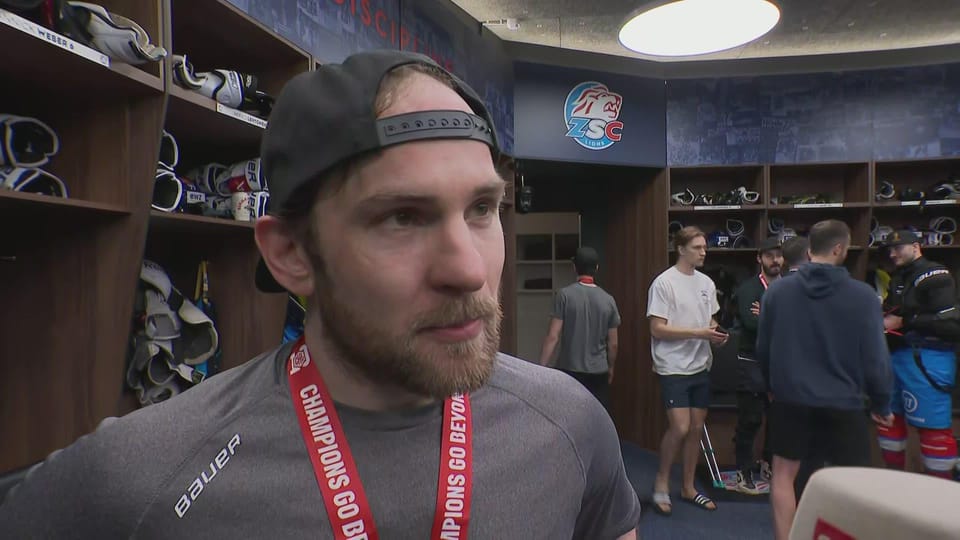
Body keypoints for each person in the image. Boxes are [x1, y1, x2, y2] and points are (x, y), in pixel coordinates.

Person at [0, 50, 641, 539]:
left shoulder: (573, 427)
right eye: (403, 217)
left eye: (482, 208)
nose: (470, 269)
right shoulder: (141, 473)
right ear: (291, 255)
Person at [757, 219, 893, 540]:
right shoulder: (863, 297)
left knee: (783, 477)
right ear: (839, 249)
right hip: (844, 403)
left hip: (790, 400)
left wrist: (771, 387)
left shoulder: (777, 291)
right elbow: (876, 358)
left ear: (808, 249)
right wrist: (882, 401)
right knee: (855, 485)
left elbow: (764, 349)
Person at [647, 225, 729, 516]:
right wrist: (699, 334)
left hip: (700, 365)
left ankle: (688, 486)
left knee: (696, 428)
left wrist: (716, 336)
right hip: (673, 367)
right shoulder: (664, 283)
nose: (704, 252)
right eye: (698, 247)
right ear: (681, 249)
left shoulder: (706, 283)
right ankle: (661, 482)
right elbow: (657, 329)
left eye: (705, 247)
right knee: (679, 427)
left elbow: (709, 323)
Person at [877, 230, 960, 478]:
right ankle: (895, 483)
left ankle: (939, 495)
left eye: (898, 248)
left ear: (915, 246)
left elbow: (952, 325)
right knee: (888, 419)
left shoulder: (935, 275)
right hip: (897, 357)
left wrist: (905, 321)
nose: (892, 254)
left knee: (933, 430)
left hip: (928, 358)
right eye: (889, 250)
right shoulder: (899, 277)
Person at [538, 246, 621, 413]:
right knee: (596, 417)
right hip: (599, 371)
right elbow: (613, 344)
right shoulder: (608, 300)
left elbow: (553, 336)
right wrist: (611, 367)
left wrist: (542, 366)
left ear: (574, 267)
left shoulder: (564, 295)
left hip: (569, 369)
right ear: (597, 268)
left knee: (568, 416)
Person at [731, 237, 783, 494]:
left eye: (779, 255)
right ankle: (743, 471)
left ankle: (768, 464)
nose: (776, 260)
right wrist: (781, 321)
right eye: (770, 255)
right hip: (751, 361)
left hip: (780, 363)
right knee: (750, 419)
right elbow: (751, 325)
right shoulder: (749, 289)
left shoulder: (788, 287)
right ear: (759, 258)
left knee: (777, 418)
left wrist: (766, 316)